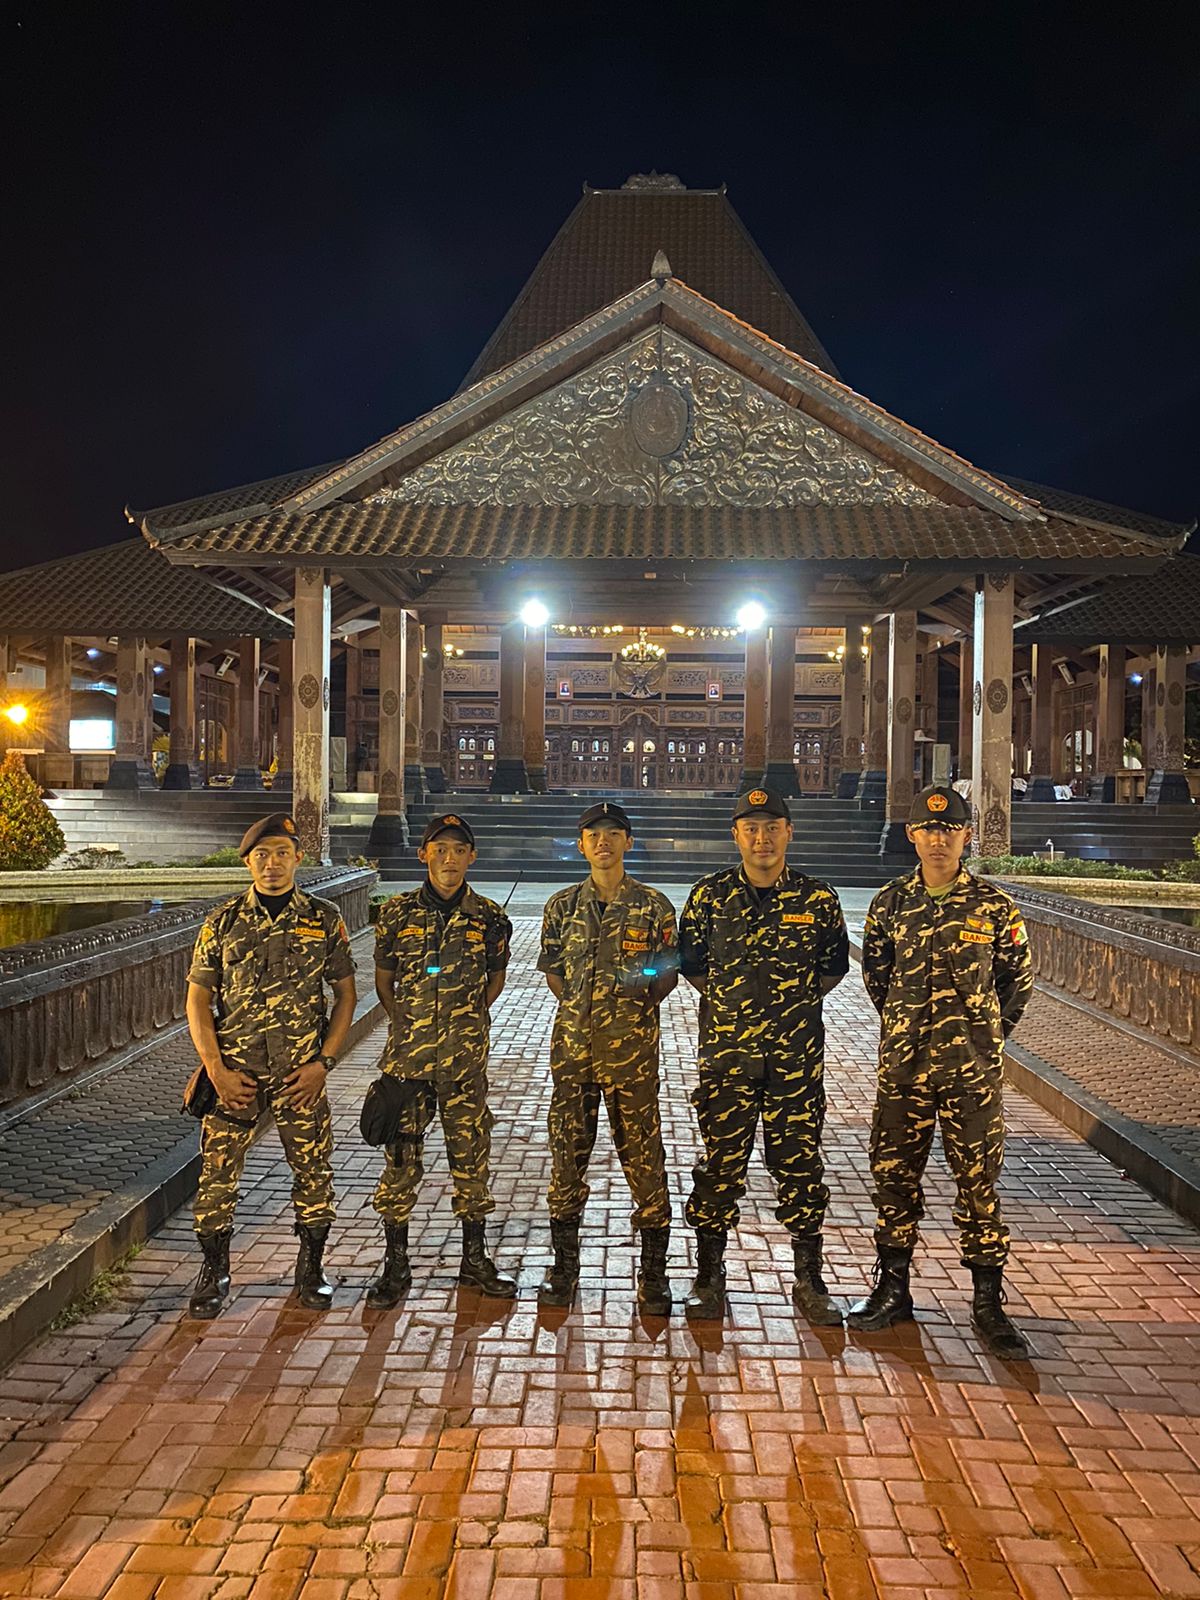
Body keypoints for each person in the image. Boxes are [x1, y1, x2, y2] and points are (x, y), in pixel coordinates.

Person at [850, 783, 1034, 1358]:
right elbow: (877, 979)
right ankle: (893, 1289)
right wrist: (909, 1029)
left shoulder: (994, 906)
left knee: (979, 1185)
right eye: (928, 830)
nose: (938, 839)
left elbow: (1017, 981)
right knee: (894, 1180)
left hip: (971, 1075)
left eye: (949, 829)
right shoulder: (889, 904)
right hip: (904, 1070)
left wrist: (984, 1038)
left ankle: (987, 1302)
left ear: (965, 836)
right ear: (911, 835)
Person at [678, 787, 849, 1323]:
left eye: (772, 826)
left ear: (788, 832)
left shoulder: (819, 899)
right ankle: (709, 1277)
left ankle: (809, 1278)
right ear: (736, 835)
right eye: (751, 827)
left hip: (795, 1061)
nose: (762, 837)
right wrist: (738, 1012)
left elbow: (833, 968)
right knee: (720, 1164)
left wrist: (785, 1012)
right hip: (727, 1060)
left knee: (799, 1165)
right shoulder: (707, 897)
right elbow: (694, 966)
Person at [184, 813, 357, 1318]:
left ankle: (311, 1268)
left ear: (297, 858)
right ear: (248, 863)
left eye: (281, 852)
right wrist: (213, 1068)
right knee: (217, 1176)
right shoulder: (223, 923)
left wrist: (325, 1061)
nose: (272, 863)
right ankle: (213, 1271)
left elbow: (345, 995)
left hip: (299, 1074)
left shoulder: (324, 919)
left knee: (313, 1171)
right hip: (235, 1074)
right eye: (261, 855)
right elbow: (197, 1001)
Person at [367, 814, 515, 1305]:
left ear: (471, 857)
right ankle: (396, 1264)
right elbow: (383, 981)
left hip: (464, 1062)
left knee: (471, 1157)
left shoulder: (491, 917)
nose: (449, 859)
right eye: (440, 849)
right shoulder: (395, 913)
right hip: (407, 1063)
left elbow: (494, 982)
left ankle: (474, 1259)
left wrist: (463, 1023)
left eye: (459, 850)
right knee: (401, 1161)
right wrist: (411, 1024)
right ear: (423, 855)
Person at [537, 801, 679, 1313]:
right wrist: (581, 1007)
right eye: (593, 835)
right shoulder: (561, 906)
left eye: (613, 834)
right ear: (581, 845)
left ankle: (655, 1273)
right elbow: (553, 970)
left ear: (627, 842)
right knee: (566, 1157)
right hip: (573, 1055)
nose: (603, 843)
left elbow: (666, 972)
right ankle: (564, 1265)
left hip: (632, 1056)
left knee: (644, 1159)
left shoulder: (653, 905)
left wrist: (634, 1003)